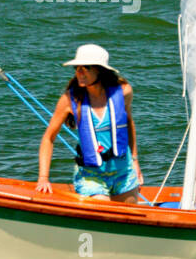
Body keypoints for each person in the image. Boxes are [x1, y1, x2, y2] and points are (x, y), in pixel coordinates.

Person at [36, 44, 143, 202]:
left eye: (85, 67)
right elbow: (48, 138)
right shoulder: (69, 100)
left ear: (100, 70)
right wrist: (43, 178)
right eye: (76, 68)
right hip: (91, 176)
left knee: (129, 216)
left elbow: (128, 124)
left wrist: (135, 161)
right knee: (102, 207)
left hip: (123, 172)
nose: (79, 72)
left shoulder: (124, 91)